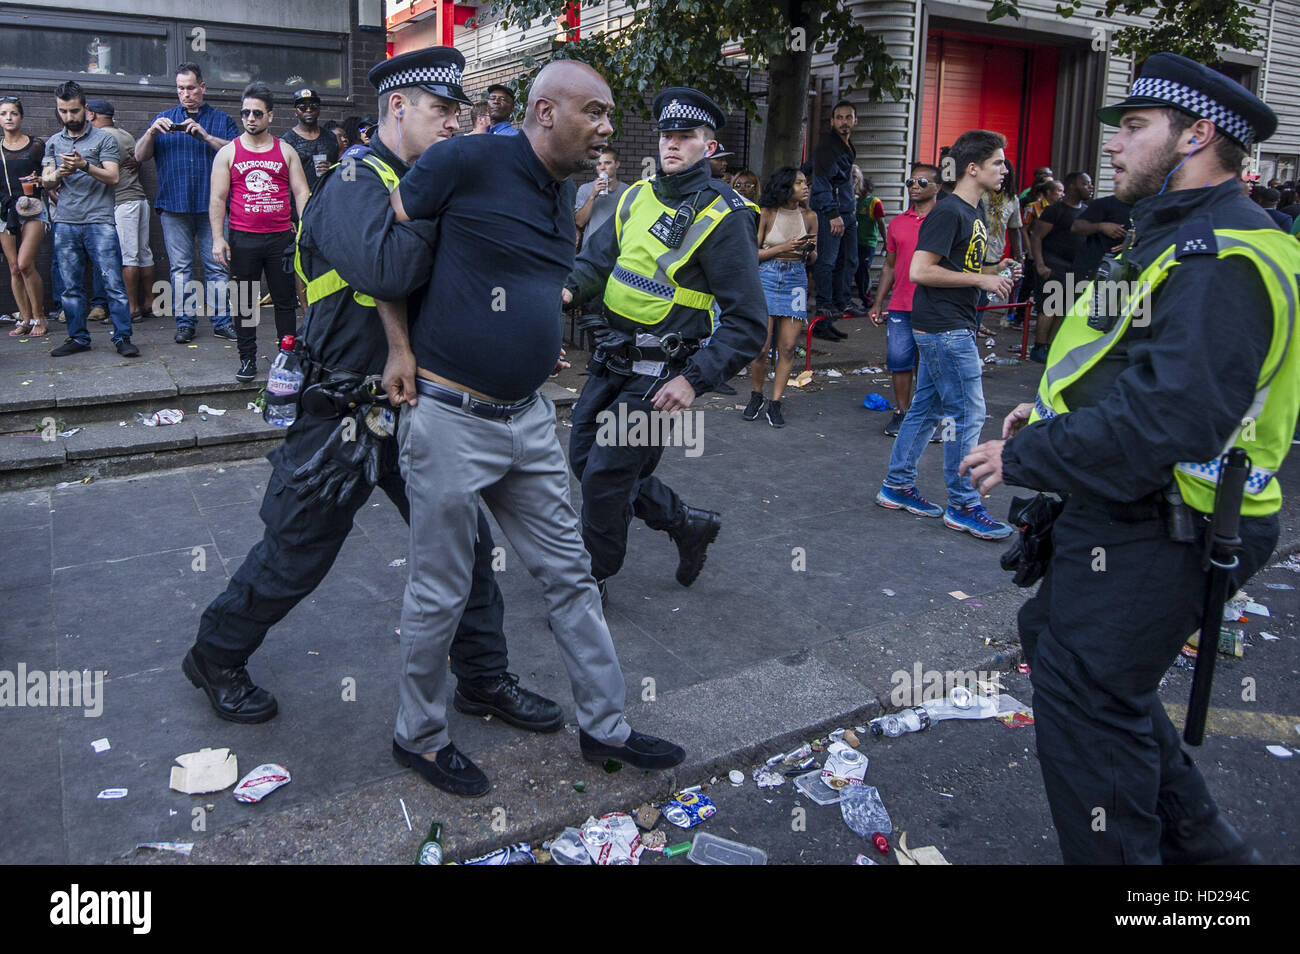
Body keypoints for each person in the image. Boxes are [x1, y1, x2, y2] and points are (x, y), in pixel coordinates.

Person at [960, 52, 1300, 865]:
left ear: (1197, 135)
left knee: (1088, 708)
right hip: (1141, 511)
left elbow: (1170, 420)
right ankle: (1212, 855)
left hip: (1169, 523)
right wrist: (1048, 411)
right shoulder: (1182, 236)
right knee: (1064, 650)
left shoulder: (1228, 254)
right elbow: (1135, 363)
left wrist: (1030, 451)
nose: (1113, 146)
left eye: (1136, 128)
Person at [184, 47, 563, 756]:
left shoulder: (427, 182)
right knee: (298, 550)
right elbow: (386, 267)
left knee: (467, 549)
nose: (456, 123)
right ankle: (215, 653)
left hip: (418, 407)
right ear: (398, 107)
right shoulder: (355, 182)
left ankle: (483, 677)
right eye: (441, 110)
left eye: (460, 111)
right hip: (346, 411)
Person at [380, 59, 687, 794]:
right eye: (597, 112)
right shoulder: (464, 158)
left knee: (571, 576)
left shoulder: (567, 191)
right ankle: (417, 737)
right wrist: (397, 346)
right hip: (449, 419)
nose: (608, 127)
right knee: (440, 592)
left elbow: (535, 277)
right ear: (546, 112)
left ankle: (605, 727)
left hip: (526, 423)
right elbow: (384, 252)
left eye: (609, 115)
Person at [563, 85, 766, 592]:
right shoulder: (636, 195)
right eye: (667, 135)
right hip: (612, 359)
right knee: (585, 460)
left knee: (607, 474)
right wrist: (566, 290)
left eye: (687, 136)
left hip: (661, 375)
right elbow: (596, 261)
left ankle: (592, 578)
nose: (672, 145)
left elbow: (748, 322)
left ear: (710, 146)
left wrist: (694, 381)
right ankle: (686, 524)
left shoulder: (725, 214)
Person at [873, 129, 1017, 541]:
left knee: (926, 410)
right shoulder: (949, 211)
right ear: (973, 168)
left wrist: (996, 272)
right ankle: (963, 505)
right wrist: (982, 280)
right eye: (997, 163)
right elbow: (920, 270)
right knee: (966, 415)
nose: (1004, 170)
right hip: (945, 329)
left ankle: (896, 486)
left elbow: (957, 270)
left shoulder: (972, 213)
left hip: (948, 325)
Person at [210, 83, 310, 383]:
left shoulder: (286, 151)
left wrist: (305, 231)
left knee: (284, 301)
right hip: (243, 239)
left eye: (256, 113)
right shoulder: (229, 152)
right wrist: (218, 238)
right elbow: (217, 198)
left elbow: (302, 192)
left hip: (280, 238)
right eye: (245, 112)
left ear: (270, 116)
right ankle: (247, 359)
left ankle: (287, 358)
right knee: (244, 302)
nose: (250, 118)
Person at [135, 63, 238, 344]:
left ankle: (222, 322)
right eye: (181, 89)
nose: (186, 94)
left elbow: (236, 155)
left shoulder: (221, 120)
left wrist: (204, 135)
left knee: (217, 267)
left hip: (212, 208)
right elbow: (139, 156)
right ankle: (185, 323)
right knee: (180, 268)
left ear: (202, 87)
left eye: (191, 88)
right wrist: (151, 133)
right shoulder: (164, 119)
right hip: (174, 204)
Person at [41, 81, 137, 359]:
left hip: (99, 222)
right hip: (66, 222)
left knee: (113, 284)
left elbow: (114, 177)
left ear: (86, 109)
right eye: (63, 111)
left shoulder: (104, 139)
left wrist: (83, 165)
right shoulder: (53, 143)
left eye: (74, 110)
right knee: (70, 287)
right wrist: (59, 173)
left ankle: (122, 338)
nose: (69, 117)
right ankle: (78, 338)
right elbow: (47, 182)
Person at [742, 166, 817, 427]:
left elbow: (814, 257)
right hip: (767, 276)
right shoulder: (767, 213)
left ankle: (775, 402)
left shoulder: (809, 216)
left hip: (796, 278)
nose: (805, 186)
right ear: (785, 186)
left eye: (805, 182)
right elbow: (753, 254)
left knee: (786, 347)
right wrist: (785, 247)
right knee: (761, 347)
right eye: (799, 182)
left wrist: (808, 250)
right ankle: (756, 395)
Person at [870, 163, 939, 436]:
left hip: (934, 305)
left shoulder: (943, 220)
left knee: (931, 363)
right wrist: (878, 303)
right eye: (911, 181)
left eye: (923, 182)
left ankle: (928, 416)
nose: (914, 186)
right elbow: (889, 266)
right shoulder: (897, 223)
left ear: (937, 188)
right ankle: (902, 412)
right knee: (899, 360)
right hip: (900, 304)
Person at [86, 98, 156, 324]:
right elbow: (136, 159)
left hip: (122, 202)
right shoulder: (124, 134)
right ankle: (149, 303)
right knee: (144, 254)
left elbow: (101, 174)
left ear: (92, 115)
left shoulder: (102, 138)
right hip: (140, 200)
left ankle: (131, 308)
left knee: (128, 257)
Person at [1027, 171, 1092, 361]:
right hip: (1052, 266)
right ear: (1073, 186)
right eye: (1085, 183)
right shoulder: (1056, 210)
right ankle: (1039, 347)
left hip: (1074, 270)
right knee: (1049, 308)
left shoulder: (1087, 211)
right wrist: (1040, 264)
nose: (1090, 187)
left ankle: (1052, 346)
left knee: (1064, 310)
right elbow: (1036, 236)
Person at [809, 100, 858, 339]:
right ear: (832, 122)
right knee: (827, 262)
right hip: (832, 214)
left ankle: (840, 306)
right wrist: (832, 214)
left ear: (855, 121)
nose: (844, 122)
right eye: (839, 118)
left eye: (848, 117)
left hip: (847, 212)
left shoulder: (845, 146)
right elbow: (821, 183)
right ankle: (823, 315)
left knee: (848, 260)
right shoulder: (829, 146)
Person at [0, 95, 47, 337]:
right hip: (4, 211)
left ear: (22, 117)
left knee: (24, 263)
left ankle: (40, 317)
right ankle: (25, 319)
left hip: (33, 207)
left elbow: (48, 172)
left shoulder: (35, 145)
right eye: (4, 114)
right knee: (13, 267)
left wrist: (42, 180)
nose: (8, 117)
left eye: (13, 113)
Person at [282, 89, 339, 193]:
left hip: (327, 198)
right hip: (300, 203)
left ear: (319, 109)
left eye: (313, 106)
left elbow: (347, 173)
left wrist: (332, 170)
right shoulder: (286, 141)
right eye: (303, 107)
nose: (308, 110)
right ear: (295, 112)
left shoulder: (332, 137)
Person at [1070, 188, 1132, 282]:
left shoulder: (1149, 208)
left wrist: (1135, 238)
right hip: (1091, 268)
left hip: (1125, 272)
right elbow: (1076, 227)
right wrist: (1100, 226)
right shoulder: (1104, 203)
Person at [573, 145, 626, 240]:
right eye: (599, 164)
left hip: (617, 249)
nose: (602, 167)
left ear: (617, 164)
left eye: (607, 163)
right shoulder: (585, 189)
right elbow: (579, 222)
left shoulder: (627, 191)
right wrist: (592, 196)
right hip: (591, 250)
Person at [854, 169, 887, 310]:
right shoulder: (854, 201)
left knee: (864, 270)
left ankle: (867, 300)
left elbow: (881, 223)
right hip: (855, 241)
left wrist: (886, 241)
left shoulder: (874, 202)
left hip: (868, 242)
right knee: (856, 270)